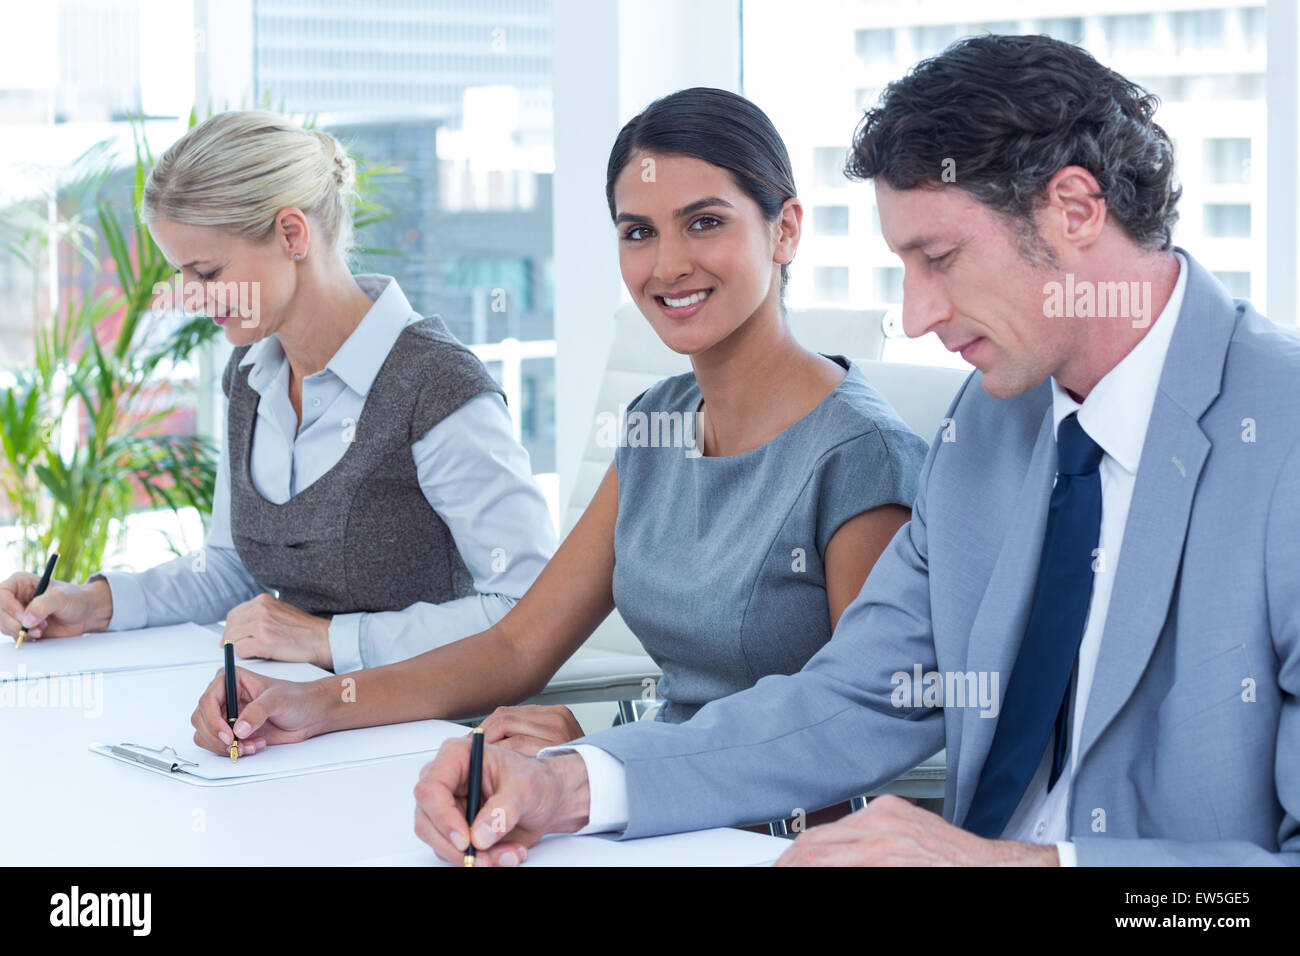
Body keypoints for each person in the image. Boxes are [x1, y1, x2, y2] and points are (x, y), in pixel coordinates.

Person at [410, 34, 1300, 867]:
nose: (915, 315)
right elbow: (854, 697)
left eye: (940, 257)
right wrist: (571, 783)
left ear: (1073, 207)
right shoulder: (992, 425)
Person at [184, 89, 931, 805]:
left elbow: (847, 731)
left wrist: (606, 759)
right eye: (638, 231)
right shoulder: (656, 424)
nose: (666, 264)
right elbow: (516, 647)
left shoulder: (859, 458)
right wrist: (313, 703)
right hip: (632, 808)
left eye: (704, 222)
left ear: (786, 229)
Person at [0, 110, 557, 674]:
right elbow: (230, 567)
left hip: (429, 729)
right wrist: (94, 604)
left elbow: (529, 610)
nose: (190, 299)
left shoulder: (437, 387)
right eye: (181, 276)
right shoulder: (251, 374)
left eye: (208, 273)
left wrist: (326, 640)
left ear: (292, 234)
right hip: (294, 716)